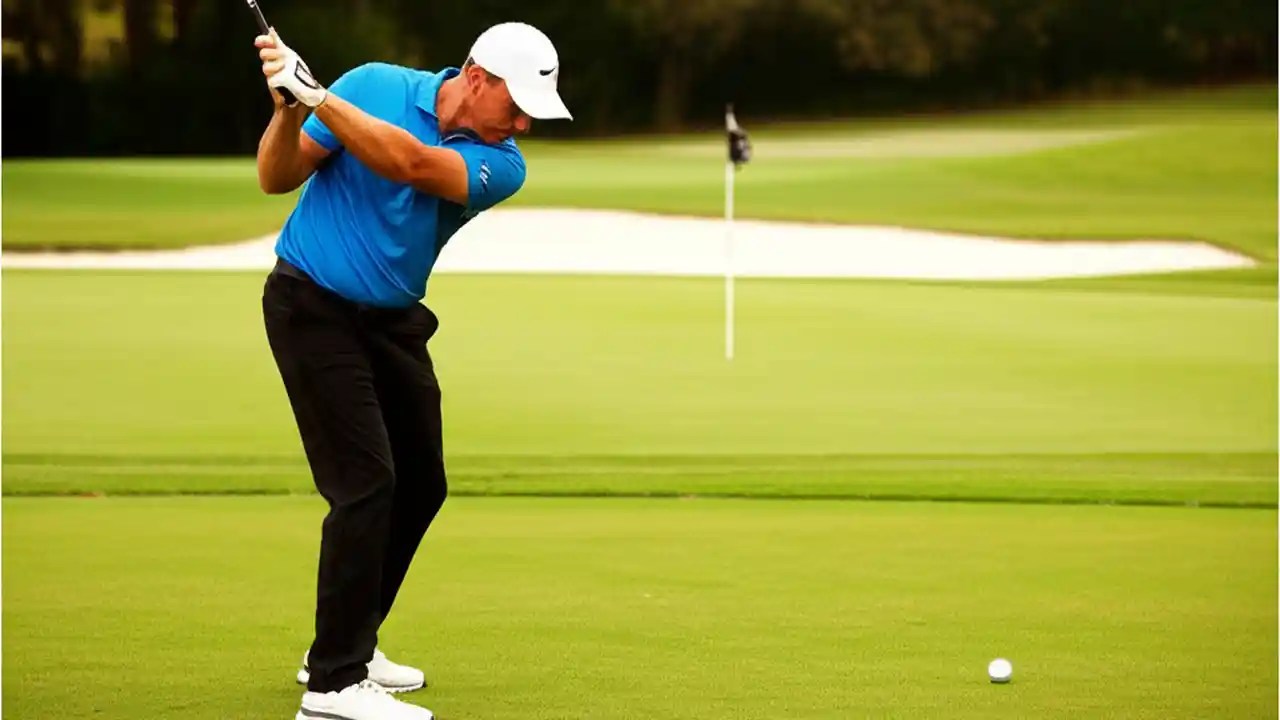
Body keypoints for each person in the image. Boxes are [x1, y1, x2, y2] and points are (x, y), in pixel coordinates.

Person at [255, 21, 572, 720]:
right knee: (367, 483)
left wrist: (319, 98)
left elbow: (411, 165)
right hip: (311, 306)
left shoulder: (503, 164)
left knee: (422, 483)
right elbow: (276, 177)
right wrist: (289, 111)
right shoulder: (373, 85)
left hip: (392, 324)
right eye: (517, 106)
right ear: (477, 77)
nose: (523, 125)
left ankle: (347, 642)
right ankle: (333, 685)